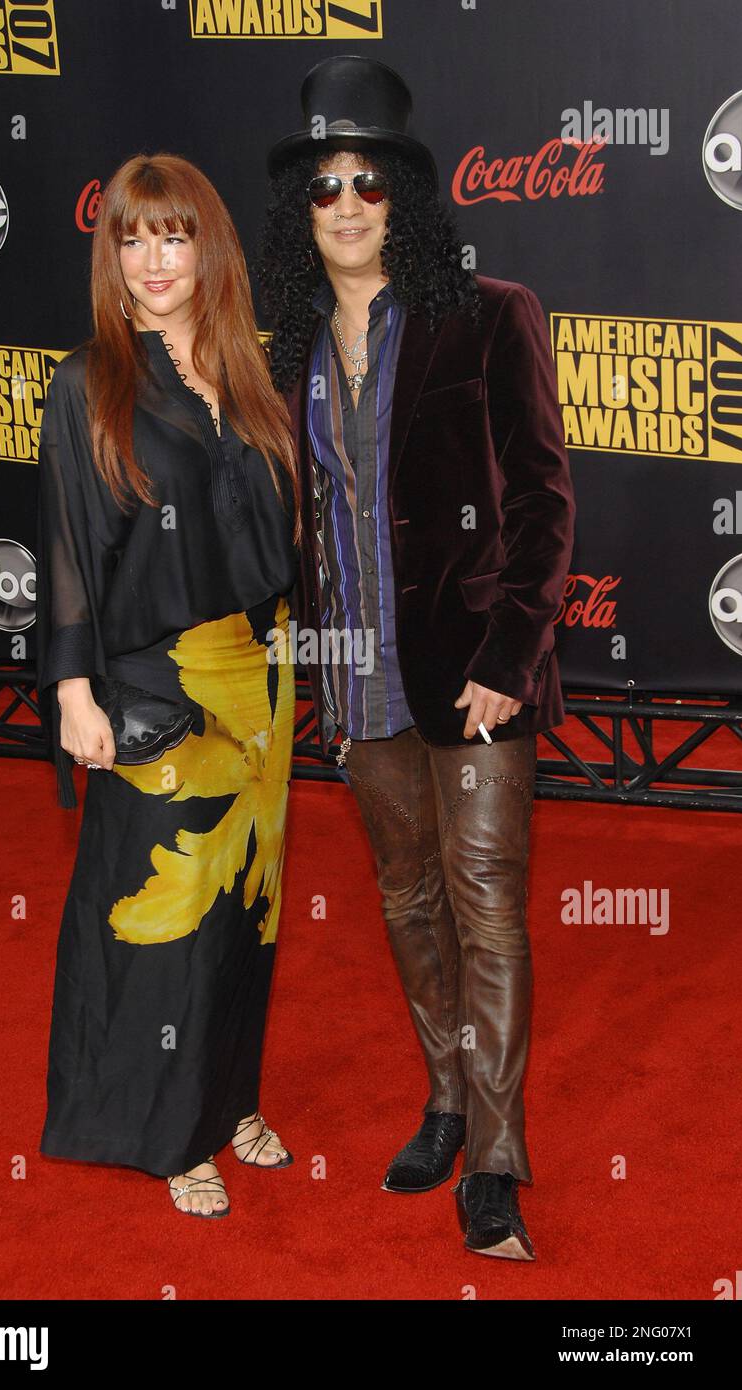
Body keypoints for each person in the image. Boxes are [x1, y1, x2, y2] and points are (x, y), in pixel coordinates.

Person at [258, 56, 575, 1259]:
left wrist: (510, 652)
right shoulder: (286, 350)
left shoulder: (490, 313)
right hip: (357, 676)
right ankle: (447, 1099)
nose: (345, 204)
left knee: (487, 904)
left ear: (406, 195)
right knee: (406, 896)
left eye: (368, 181)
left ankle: (495, 1156)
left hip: (474, 672)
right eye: (323, 185)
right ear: (301, 209)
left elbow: (543, 501)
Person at [34, 152, 301, 1218]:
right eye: (132, 239)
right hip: (159, 675)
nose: (153, 260)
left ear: (207, 248)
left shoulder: (246, 371)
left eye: (174, 236)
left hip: (263, 674)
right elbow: (66, 542)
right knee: (169, 908)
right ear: (112, 256)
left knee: (248, 904)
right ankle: (170, 1131)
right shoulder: (88, 381)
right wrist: (73, 692)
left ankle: (229, 1097)